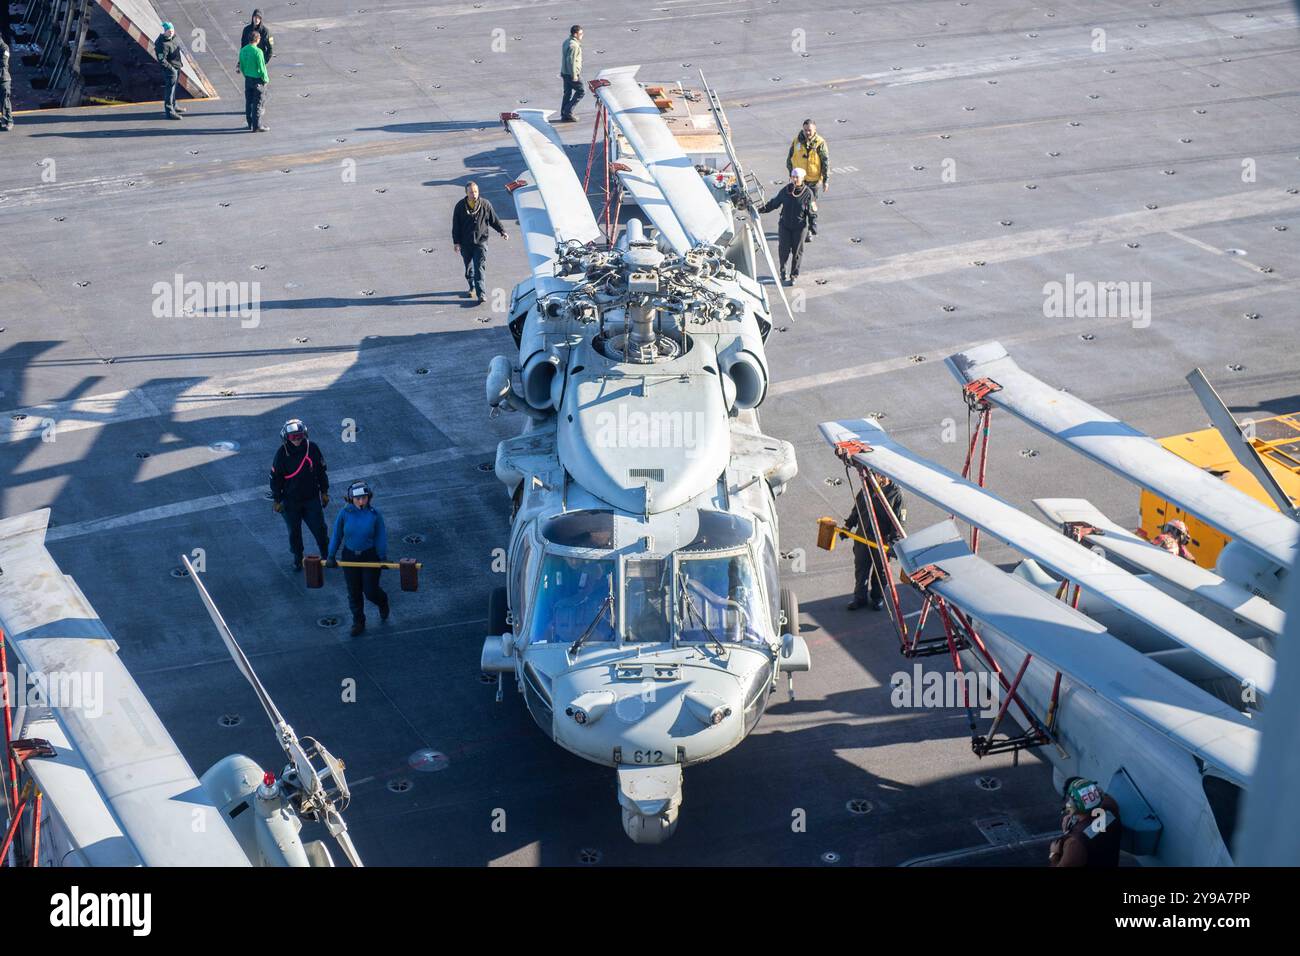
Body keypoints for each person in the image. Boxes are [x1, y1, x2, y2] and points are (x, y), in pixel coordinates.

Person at [327, 480, 390, 637]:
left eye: (364, 497)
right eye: (358, 498)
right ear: (351, 499)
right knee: (353, 592)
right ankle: (358, 621)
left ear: (369, 497)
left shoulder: (375, 515)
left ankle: (382, 601)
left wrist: (382, 558)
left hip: (370, 556)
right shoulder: (344, 514)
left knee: (370, 591)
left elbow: (380, 537)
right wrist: (330, 555)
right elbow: (336, 535)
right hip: (349, 556)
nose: (361, 501)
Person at [269, 419, 329, 570]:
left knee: (320, 529)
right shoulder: (281, 454)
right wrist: (277, 500)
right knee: (294, 533)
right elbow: (275, 479)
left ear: (305, 434)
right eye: (292, 437)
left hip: (311, 499)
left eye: (299, 435)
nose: (296, 439)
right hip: (290, 502)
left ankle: (327, 555)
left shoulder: (313, 448)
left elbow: (321, 472)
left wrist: (324, 492)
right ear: (286, 437)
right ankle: (298, 558)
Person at [844, 476, 905, 611]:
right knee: (861, 569)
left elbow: (899, 521)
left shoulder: (896, 494)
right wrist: (848, 526)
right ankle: (859, 598)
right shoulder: (867, 487)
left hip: (882, 541)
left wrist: (893, 542)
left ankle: (877, 598)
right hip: (863, 537)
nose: (877, 477)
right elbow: (857, 509)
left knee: (880, 572)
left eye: (880, 475)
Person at [451, 181, 508, 303]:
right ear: (466, 193)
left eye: (476, 191)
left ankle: (481, 293)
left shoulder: (485, 204)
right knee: (469, 268)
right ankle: (471, 286)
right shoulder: (460, 206)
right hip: (465, 243)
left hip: (481, 242)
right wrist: (456, 242)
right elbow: (456, 225)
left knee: (479, 267)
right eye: (471, 192)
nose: (474, 194)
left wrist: (502, 231)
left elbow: (494, 219)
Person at [758, 168, 817, 285]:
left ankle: (794, 275)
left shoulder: (808, 193)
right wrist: (762, 209)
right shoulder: (785, 190)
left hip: (799, 228)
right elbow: (775, 203)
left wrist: (813, 226)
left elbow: (812, 212)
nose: (794, 179)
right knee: (783, 250)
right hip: (785, 226)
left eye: (797, 177)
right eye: (792, 177)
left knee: (797, 253)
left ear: (802, 178)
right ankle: (783, 271)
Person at [1049, 778, 1123, 867]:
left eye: (1069, 799)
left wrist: (1054, 854)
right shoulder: (1111, 808)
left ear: (1073, 806)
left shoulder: (1074, 843)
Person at [787, 119, 830, 238]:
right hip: (799, 181)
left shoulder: (820, 143)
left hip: (813, 181)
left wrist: (826, 180)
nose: (807, 133)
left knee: (811, 206)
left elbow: (825, 162)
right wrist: (792, 174)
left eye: (810, 130)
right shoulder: (796, 142)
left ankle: (811, 229)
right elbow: (789, 159)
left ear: (814, 130)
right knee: (798, 206)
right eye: (805, 130)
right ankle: (800, 228)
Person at [239, 27, 270, 131]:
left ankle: (250, 123)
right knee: (258, 103)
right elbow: (262, 68)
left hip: (248, 79)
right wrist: (265, 79)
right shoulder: (258, 52)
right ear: (257, 39)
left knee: (249, 102)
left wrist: (246, 75)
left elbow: (242, 66)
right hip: (257, 80)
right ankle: (257, 126)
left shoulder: (243, 50)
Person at [154, 22, 185, 120]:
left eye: (172, 31)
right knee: (170, 90)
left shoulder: (173, 38)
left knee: (174, 88)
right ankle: (170, 111)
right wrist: (171, 69)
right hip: (170, 70)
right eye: (169, 31)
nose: (171, 33)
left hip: (177, 66)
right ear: (165, 31)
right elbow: (161, 60)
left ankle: (174, 105)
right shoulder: (161, 44)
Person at [558, 24, 584, 122]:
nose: (582, 35)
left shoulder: (566, 42)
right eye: (580, 33)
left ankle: (564, 115)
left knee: (567, 93)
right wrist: (574, 75)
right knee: (581, 91)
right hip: (570, 73)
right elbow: (571, 61)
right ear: (575, 34)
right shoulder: (574, 46)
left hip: (564, 72)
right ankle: (567, 112)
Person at [1, 35, 13, 131]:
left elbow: (4, 63)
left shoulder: (5, 48)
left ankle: (9, 121)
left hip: (3, 78)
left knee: (5, 100)